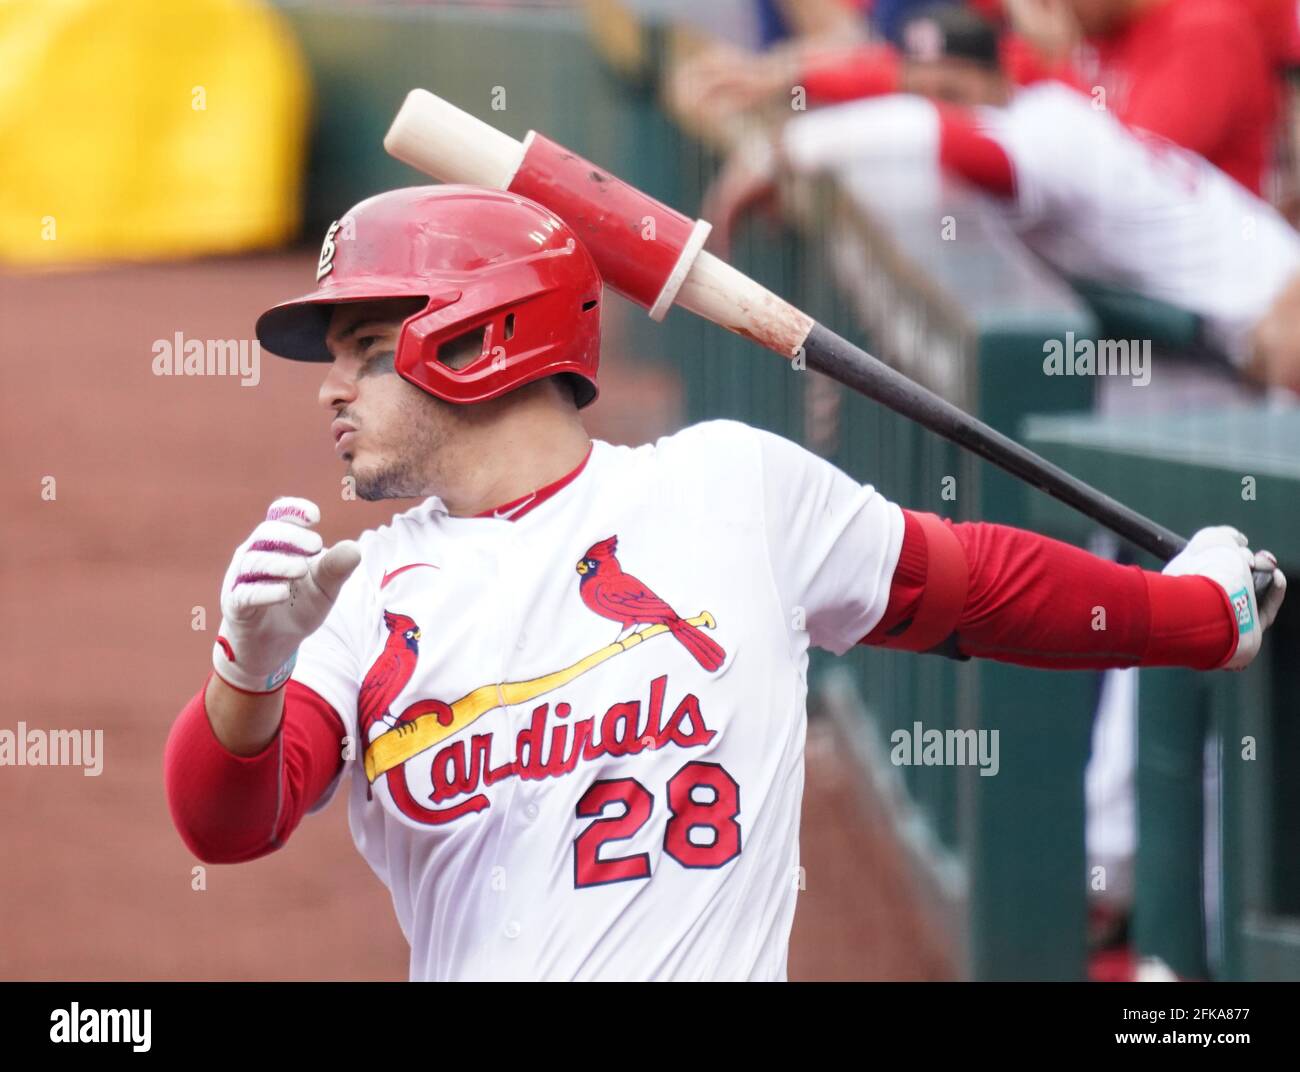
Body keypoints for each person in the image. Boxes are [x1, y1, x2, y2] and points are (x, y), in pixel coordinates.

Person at [162, 184, 1285, 982]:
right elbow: (228, 823)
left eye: (362, 346)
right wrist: (245, 669)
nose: (330, 389)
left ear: (474, 338)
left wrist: (1190, 614)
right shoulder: (363, 595)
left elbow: (973, 584)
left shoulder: (729, 487)